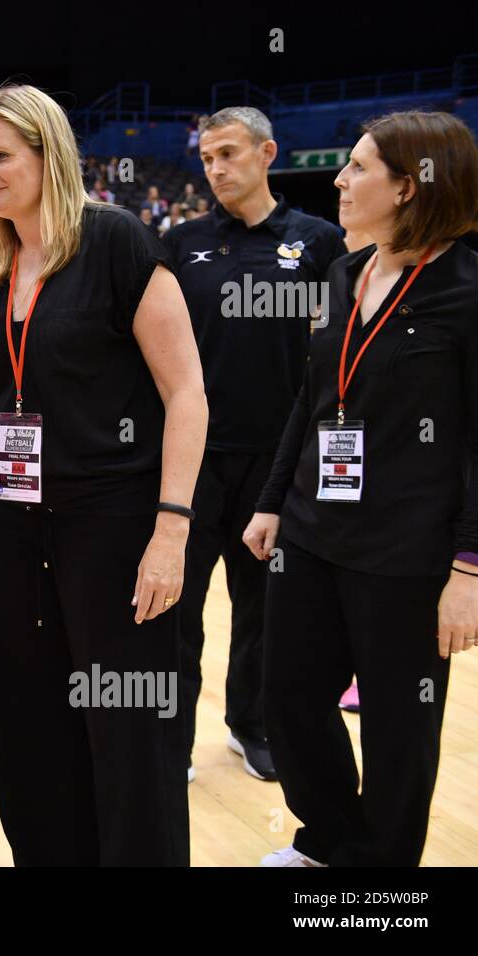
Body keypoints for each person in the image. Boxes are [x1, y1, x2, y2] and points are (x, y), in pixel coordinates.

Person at [0, 83, 207, 866]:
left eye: (0, 156)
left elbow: (187, 391)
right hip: (20, 534)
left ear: (46, 153)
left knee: (126, 738)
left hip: (115, 530)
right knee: (30, 731)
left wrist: (171, 530)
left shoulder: (118, 242)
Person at [243, 111, 478, 867]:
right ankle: (330, 841)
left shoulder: (467, 292)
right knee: (288, 697)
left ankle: (378, 877)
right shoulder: (344, 273)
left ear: (409, 187)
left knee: (399, 729)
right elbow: (314, 402)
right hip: (312, 531)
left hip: (408, 553)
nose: (339, 181)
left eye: (357, 168)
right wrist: (274, 499)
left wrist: (470, 570)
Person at [163, 107, 346, 783]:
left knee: (264, 609)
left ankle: (251, 724)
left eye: (230, 154)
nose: (216, 169)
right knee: (174, 611)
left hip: (280, 466)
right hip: (194, 460)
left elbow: (336, 355)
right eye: (207, 158)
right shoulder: (180, 244)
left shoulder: (319, 241)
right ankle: (170, 738)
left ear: (268, 152)